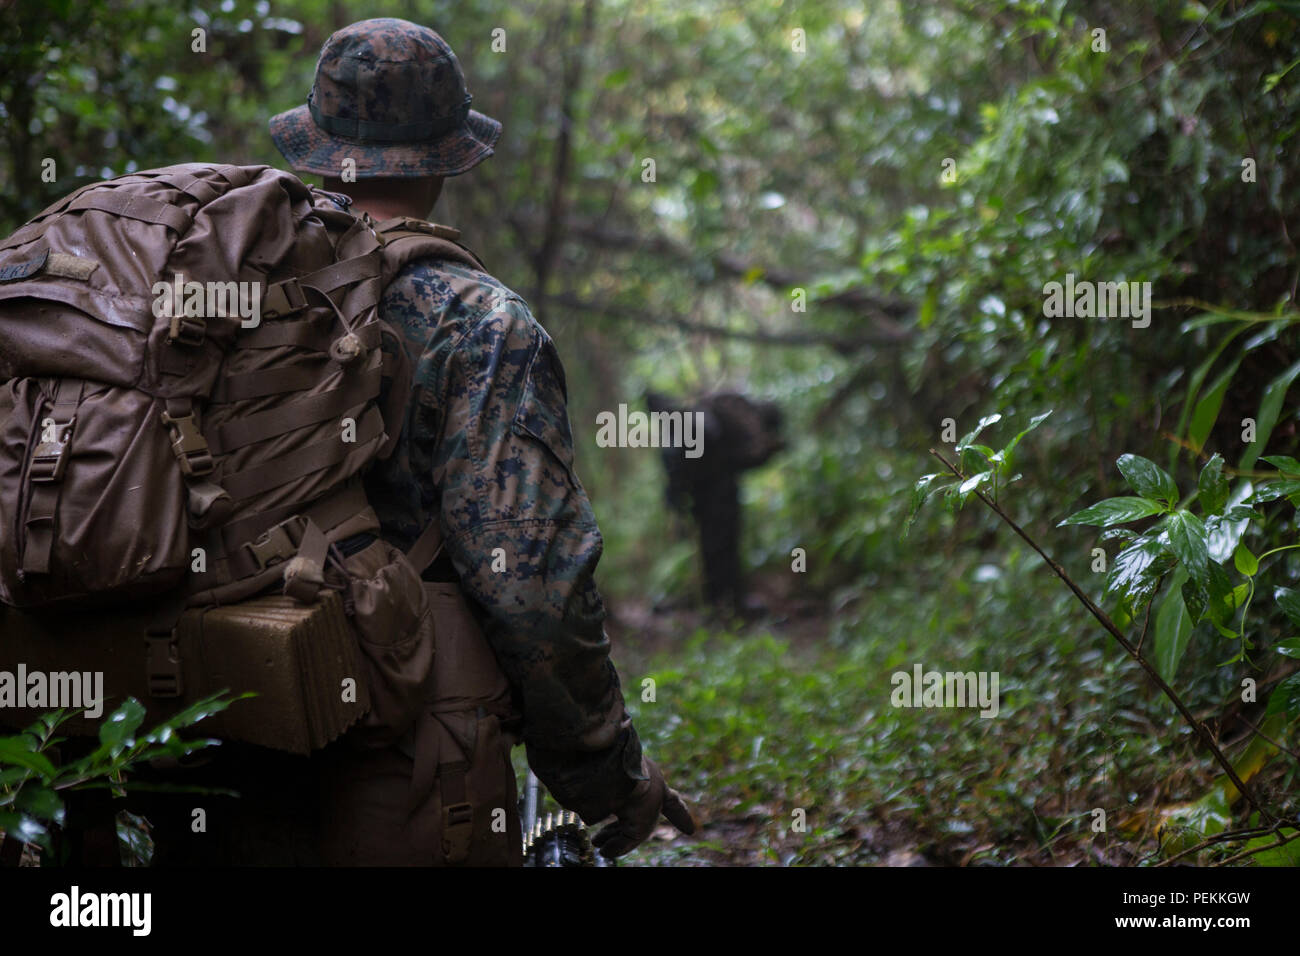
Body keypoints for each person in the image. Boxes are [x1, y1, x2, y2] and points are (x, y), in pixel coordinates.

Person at [266, 17, 695, 865]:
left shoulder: (236, 297)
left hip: (206, 737)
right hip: (400, 769)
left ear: (316, 151)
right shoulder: (481, 324)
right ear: (446, 158)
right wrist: (610, 777)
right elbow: (532, 588)